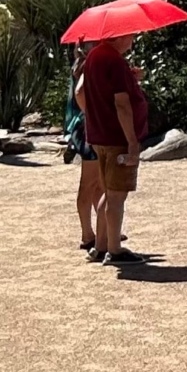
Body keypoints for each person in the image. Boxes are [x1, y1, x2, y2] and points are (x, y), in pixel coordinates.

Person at [80, 33, 149, 265]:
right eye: (130, 36)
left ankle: (100, 247)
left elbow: (90, 91)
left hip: (98, 136)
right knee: (117, 196)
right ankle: (114, 249)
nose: (132, 40)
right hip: (116, 136)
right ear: (119, 37)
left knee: (108, 193)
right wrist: (132, 142)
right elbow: (122, 104)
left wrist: (129, 77)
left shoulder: (93, 56)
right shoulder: (114, 61)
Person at [65, 44, 105, 254]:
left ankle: (102, 227)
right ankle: (87, 234)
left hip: (83, 127)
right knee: (89, 183)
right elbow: (80, 92)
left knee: (97, 183)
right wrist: (91, 115)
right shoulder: (86, 65)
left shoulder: (81, 64)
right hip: (87, 128)